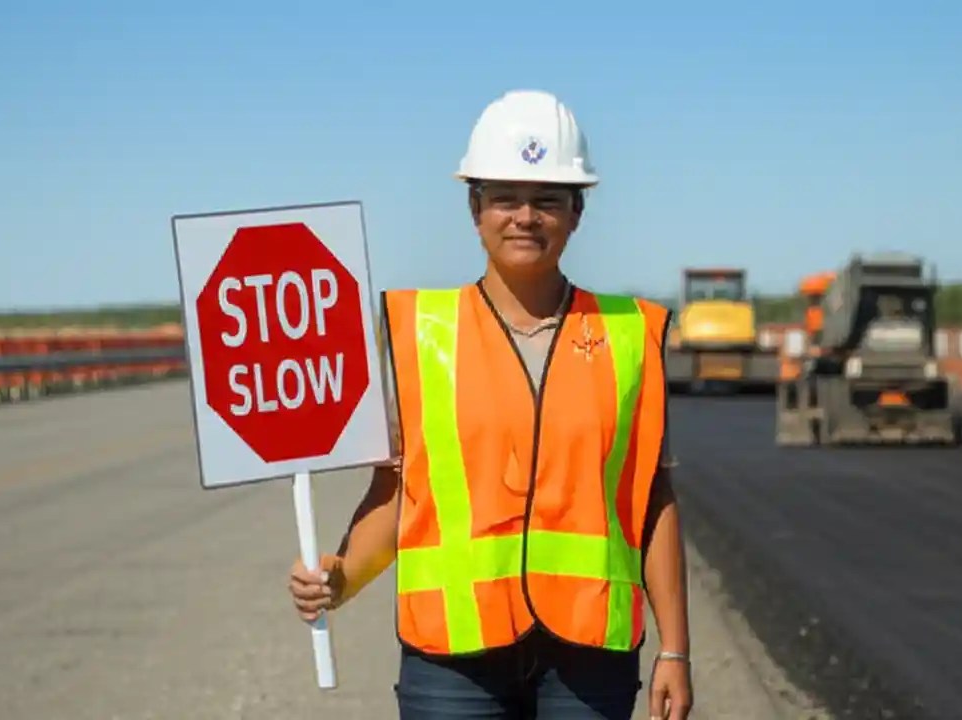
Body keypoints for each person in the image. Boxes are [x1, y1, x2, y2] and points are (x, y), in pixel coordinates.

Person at [287, 89, 694, 719]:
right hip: (452, 654)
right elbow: (396, 493)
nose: (524, 217)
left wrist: (676, 651)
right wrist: (339, 577)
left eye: (547, 200)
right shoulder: (420, 333)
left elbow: (652, 502)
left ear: (577, 213)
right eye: (504, 197)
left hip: (589, 653)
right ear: (474, 208)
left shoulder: (629, 335)